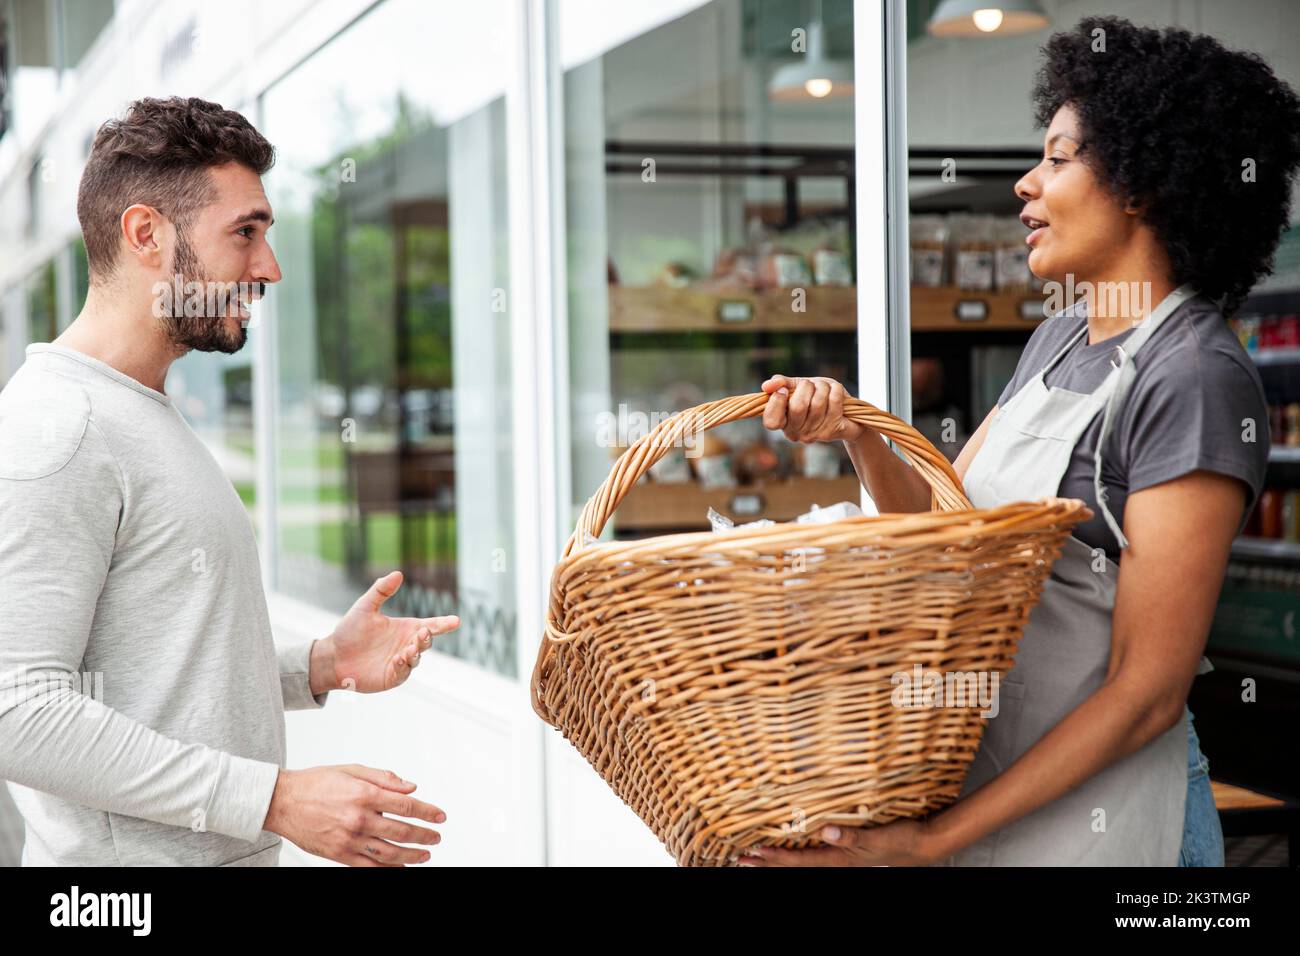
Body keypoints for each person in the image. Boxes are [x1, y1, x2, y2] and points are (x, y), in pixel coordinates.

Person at [741, 17, 1300, 866]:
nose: (1025, 186)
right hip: (997, 798)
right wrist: (856, 429)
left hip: (1116, 825)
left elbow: (1147, 692)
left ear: (1143, 182)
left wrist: (931, 843)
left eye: (1057, 157)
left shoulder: (1191, 377)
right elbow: (944, 534)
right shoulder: (1061, 338)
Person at [0, 97, 459, 866]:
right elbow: (17, 712)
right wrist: (276, 800)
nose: (269, 267)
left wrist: (319, 664)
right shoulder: (62, 428)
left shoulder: (135, 409)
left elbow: (139, 668)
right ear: (147, 234)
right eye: (245, 233)